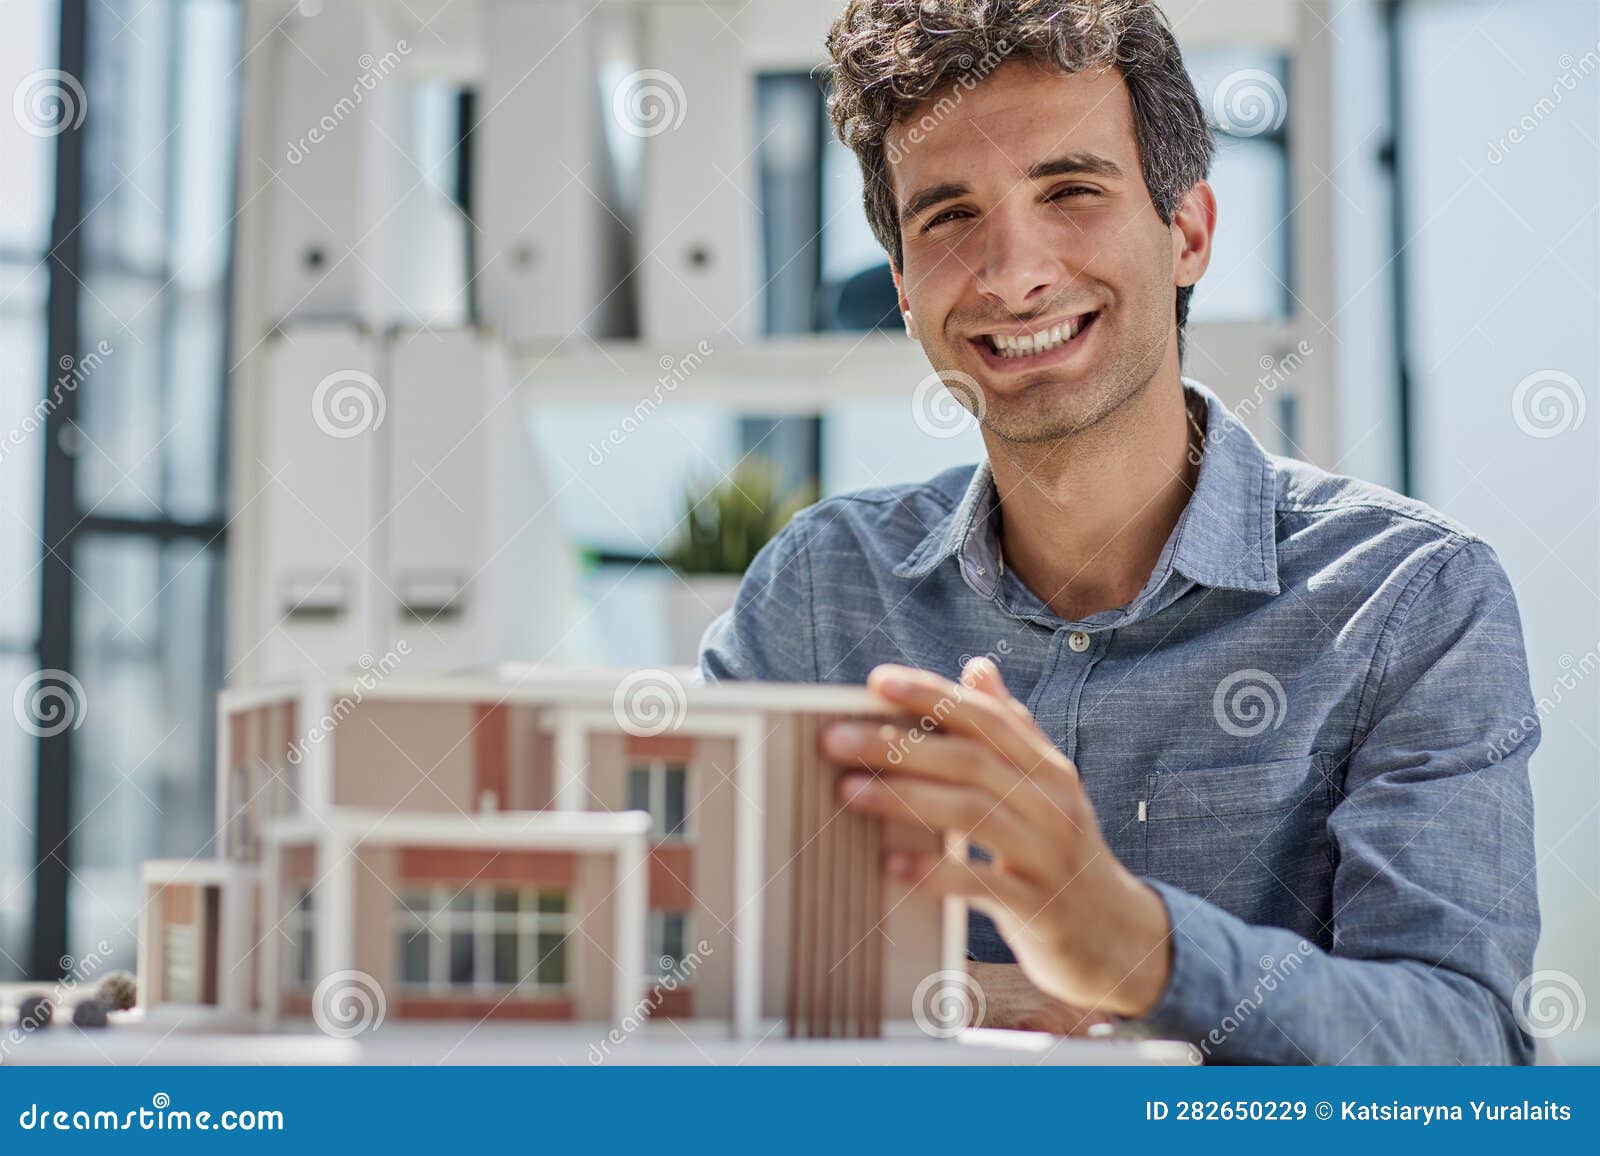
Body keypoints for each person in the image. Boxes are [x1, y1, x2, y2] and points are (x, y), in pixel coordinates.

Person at [701, 0, 1539, 1064]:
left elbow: (1469, 1054)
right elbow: (687, 965)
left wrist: (1133, 947)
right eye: (948, 216)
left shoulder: (1412, 598)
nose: (1012, 273)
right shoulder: (817, 595)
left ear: (1186, 231)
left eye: (1070, 190)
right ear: (905, 290)